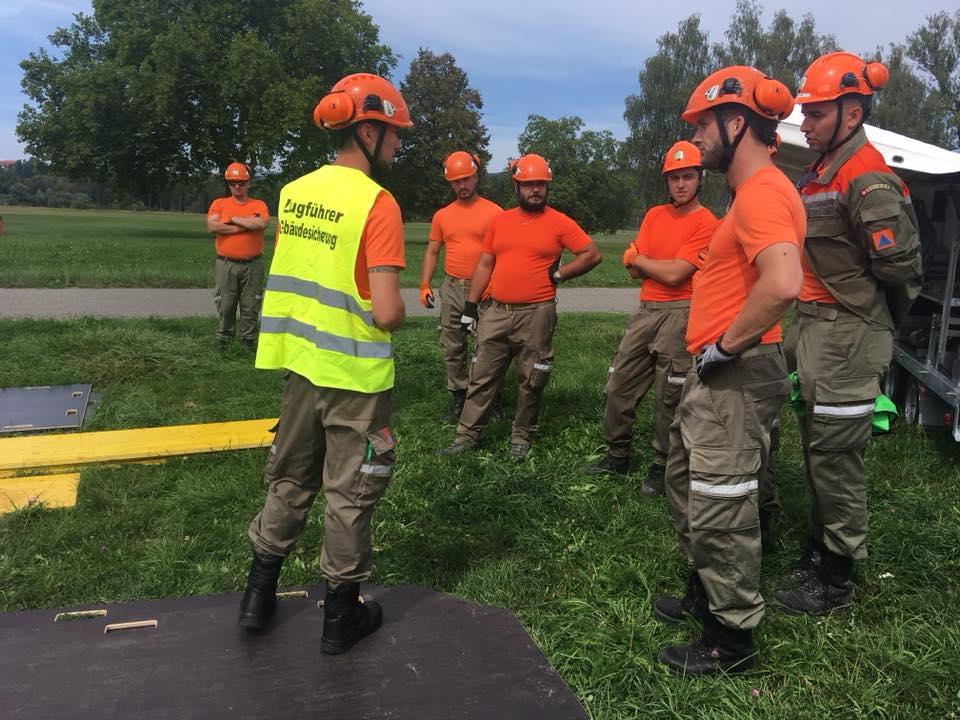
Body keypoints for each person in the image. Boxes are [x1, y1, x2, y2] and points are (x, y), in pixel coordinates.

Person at [238, 73, 411, 656]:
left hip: (300, 369)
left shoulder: (293, 194)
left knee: (289, 479)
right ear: (366, 129)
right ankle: (341, 617)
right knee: (349, 494)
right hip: (356, 381)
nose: (396, 147)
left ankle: (256, 598)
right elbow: (385, 311)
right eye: (392, 136)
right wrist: (401, 309)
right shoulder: (378, 204)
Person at [654, 66, 804, 676]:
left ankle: (730, 635)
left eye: (703, 125)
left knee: (721, 498)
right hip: (721, 371)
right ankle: (706, 590)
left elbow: (784, 282)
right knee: (691, 483)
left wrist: (724, 347)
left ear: (737, 122)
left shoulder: (764, 192)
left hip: (733, 372)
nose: (696, 138)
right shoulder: (752, 195)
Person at [775, 52, 922, 616]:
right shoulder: (822, 170)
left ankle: (836, 580)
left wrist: (867, 325)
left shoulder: (868, 177)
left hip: (846, 334)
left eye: (815, 113)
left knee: (836, 457)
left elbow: (901, 273)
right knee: (819, 448)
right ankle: (819, 551)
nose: (804, 123)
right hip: (815, 329)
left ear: (853, 111)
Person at [439, 153, 601, 461]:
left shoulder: (559, 222)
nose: (535, 190)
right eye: (528, 185)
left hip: (536, 314)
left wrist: (560, 273)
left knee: (531, 379)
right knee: (482, 375)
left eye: (540, 184)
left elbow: (591, 253)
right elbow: (486, 263)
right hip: (496, 312)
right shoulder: (500, 221)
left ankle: (521, 436)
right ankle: (466, 436)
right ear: (516, 187)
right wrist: (470, 307)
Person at [583, 141, 717, 494]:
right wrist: (645, 265)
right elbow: (633, 274)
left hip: (681, 312)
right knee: (618, 384)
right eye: (674, 178)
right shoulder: (655, 216)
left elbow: (674, 274)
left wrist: (640, 261)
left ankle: (663, 464)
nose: (681, 185)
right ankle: (617, 455)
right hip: (645, 310)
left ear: (700, 178)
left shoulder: (706, 222)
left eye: (688, 176)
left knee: (669, 394)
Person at [420, 151, 503, 422]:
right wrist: (424, 284)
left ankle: (491, 398)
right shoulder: (442, 216)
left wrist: (496, 283)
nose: (462, 186)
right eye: (456, 182)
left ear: (476, 176)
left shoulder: (494, 212)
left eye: (466, 179)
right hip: (452, 286)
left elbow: (503, 252)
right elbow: (433, 251)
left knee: (488, 345)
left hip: (485, 289)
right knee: (452, 345)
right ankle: (459, 397)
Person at [206, 163, 270, 353]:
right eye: (233, 183)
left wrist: (232, 219)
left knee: (251, 305)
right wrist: (244, 227)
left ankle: (248, 341)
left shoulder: (258, 204)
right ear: (229, 184)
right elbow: (212, 227)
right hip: (226, 264)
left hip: (252, 264)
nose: (237, 186)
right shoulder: (219, 203)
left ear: (248, 183)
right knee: (226, 304)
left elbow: (262, 223)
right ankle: (224, 341)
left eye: (241, 182)